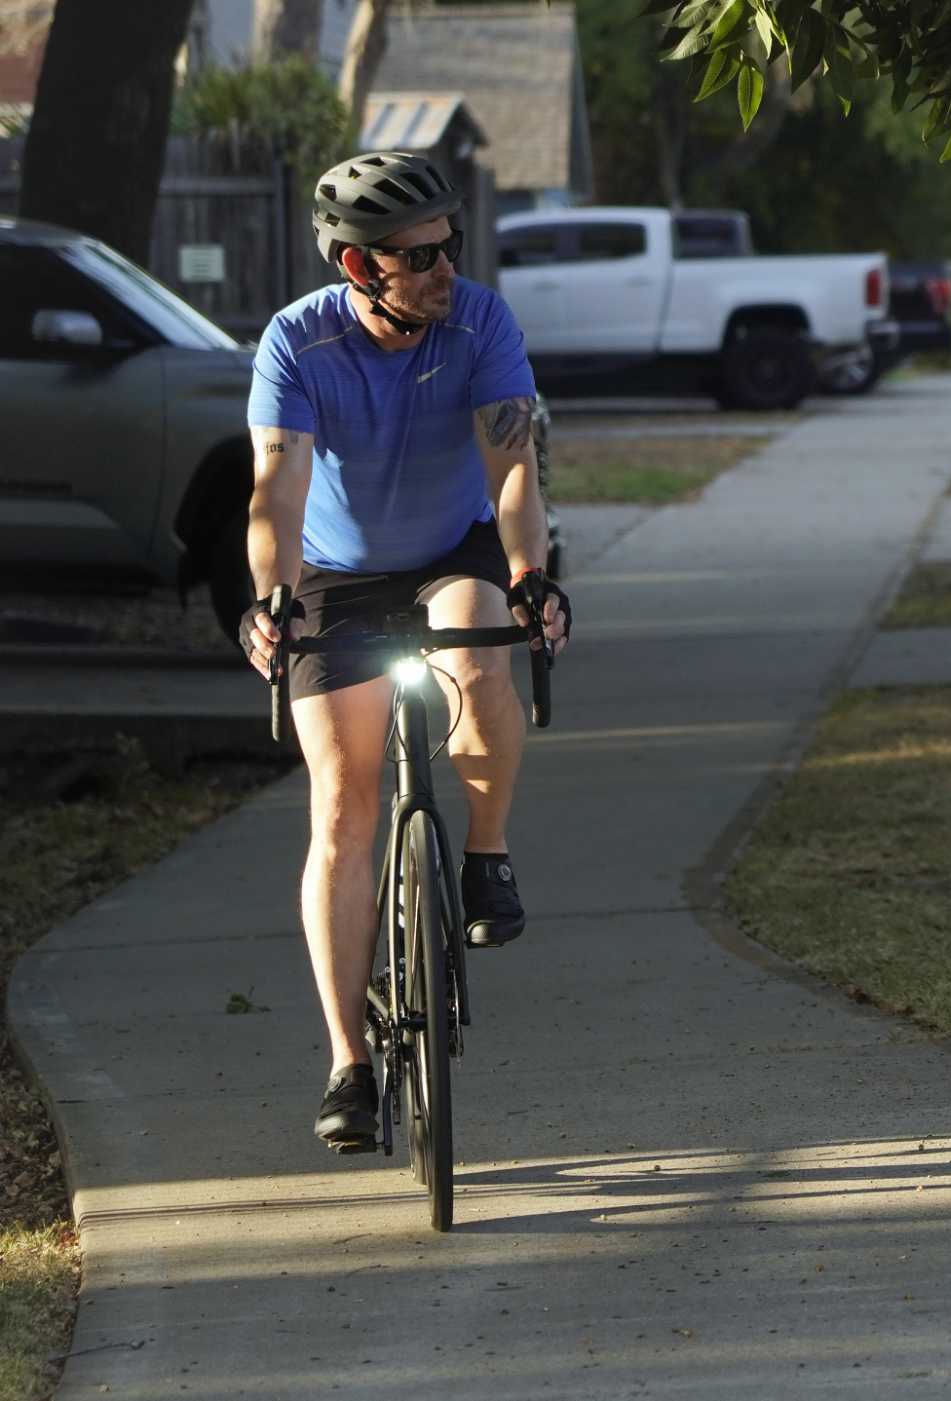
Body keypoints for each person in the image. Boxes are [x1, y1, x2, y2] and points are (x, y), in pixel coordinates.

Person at [239, 151, 571, 1149]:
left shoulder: (481, 321)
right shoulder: (298, 341)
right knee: (344, 806)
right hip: (335, 574)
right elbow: (276, 491)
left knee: (475, 657)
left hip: (451, 551)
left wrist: (528, 573)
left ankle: (486, 853)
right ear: (358, 265)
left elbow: (512, 466)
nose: (444, 269)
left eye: (448, 245)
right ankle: (349, 1062)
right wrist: (271, 597)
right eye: (418, 256)